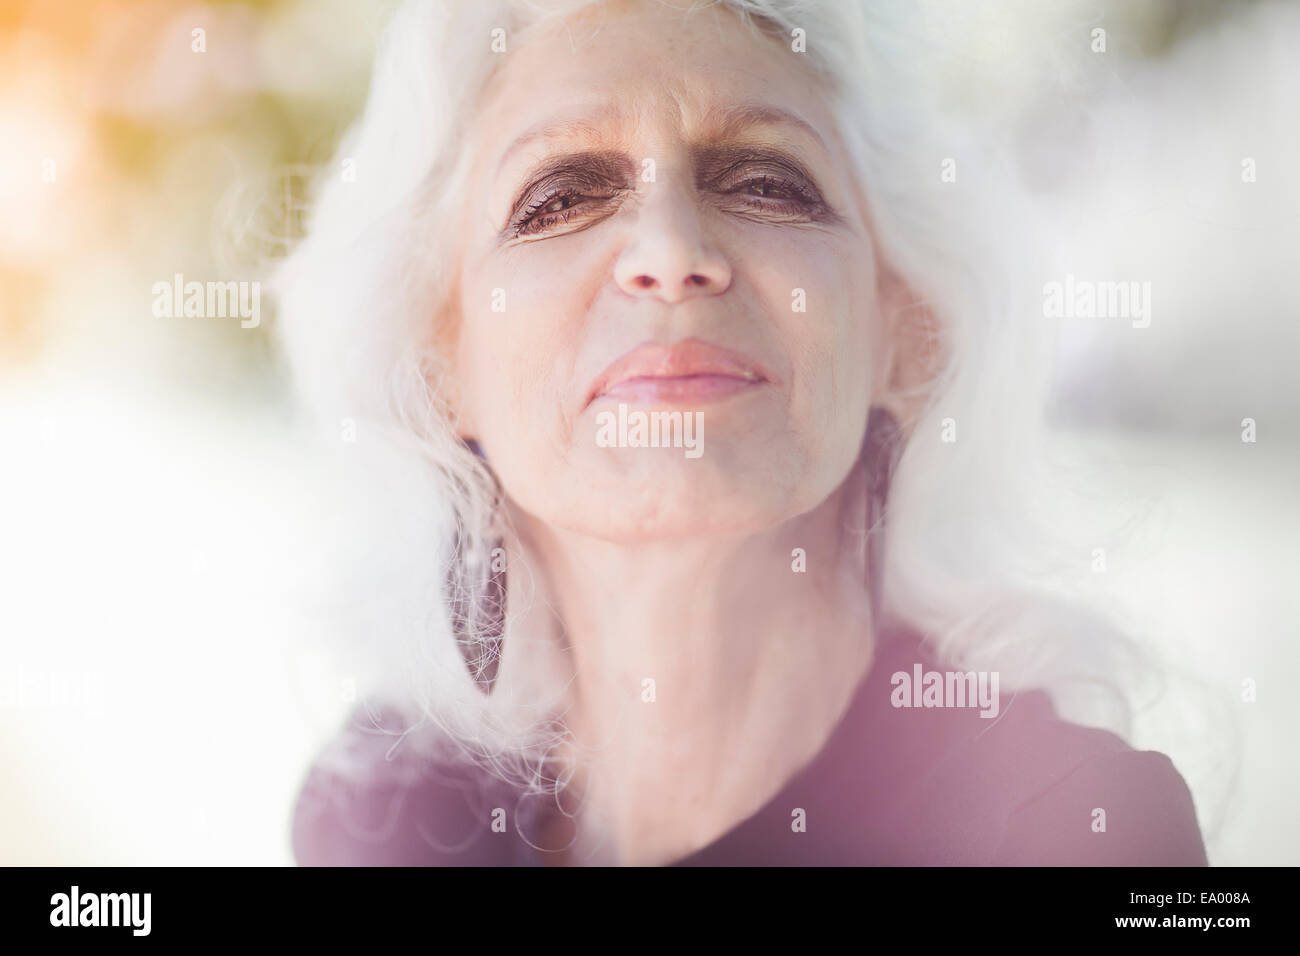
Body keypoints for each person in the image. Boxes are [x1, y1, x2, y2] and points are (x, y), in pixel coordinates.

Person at [273, 0, 1209, 866]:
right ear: (442, 376)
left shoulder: (1070, 825)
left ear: (906, 334)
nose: (672, 252)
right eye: (558, 199)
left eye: (765, 183)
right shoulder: (383, 819)